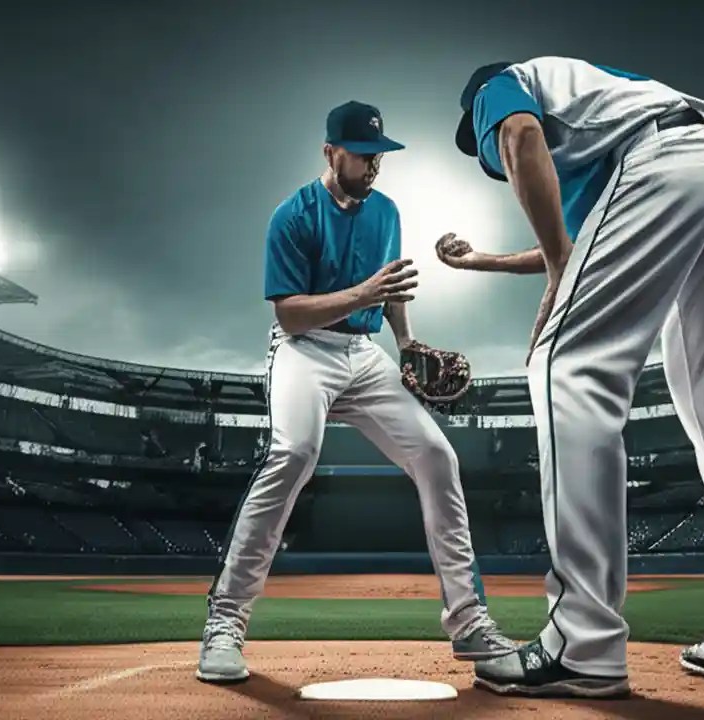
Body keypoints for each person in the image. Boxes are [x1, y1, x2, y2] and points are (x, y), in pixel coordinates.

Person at [437, 57, 704, 697]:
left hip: (670, 163)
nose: (482, 148)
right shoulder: (601, 110)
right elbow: (579, 247)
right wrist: (485, 261)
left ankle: (585, 641)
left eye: (476, 138)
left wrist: (554, 270)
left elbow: (519, 137)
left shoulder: (499, 86)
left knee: (565, 364)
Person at [196, 100, 515, 684]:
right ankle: (225, 621)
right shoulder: (292, 216)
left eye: (379, 156)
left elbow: (391, 288)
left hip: (365, 355)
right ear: (330, 152)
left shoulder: (386, 210)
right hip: (304, 351)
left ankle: (471, 623)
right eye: (363, 156)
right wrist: (360, 295)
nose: (373, 166)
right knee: (293, 454)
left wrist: (408, 344)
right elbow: (290, 314)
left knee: (437, 456)